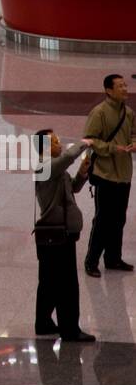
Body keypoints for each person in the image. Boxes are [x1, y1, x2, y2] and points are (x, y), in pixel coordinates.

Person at [33, 129, 95, 342]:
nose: (60, 144)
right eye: (55, 141)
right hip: (57, 234)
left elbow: (73, 188)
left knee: (49, 281)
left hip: (56, 233)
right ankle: (69, 329)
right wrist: (84, 142)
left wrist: (83, 173)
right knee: (67, 284)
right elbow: (69, 157)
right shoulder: (45, 167)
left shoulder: (53, 168)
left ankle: (43, 322)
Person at [82, 74, 136, 277]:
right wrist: (112, 148)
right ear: (108, 91)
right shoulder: (99, 113)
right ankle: (91, 261)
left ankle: (113, 258)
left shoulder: (128, 112)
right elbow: (89, 139)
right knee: (103, 220)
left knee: (119, 218)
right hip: (105, 174)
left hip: (123, 174)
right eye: (120, 86)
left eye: (125, 85)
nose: (125, 89)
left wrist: (134, 143)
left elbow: (134, 133)